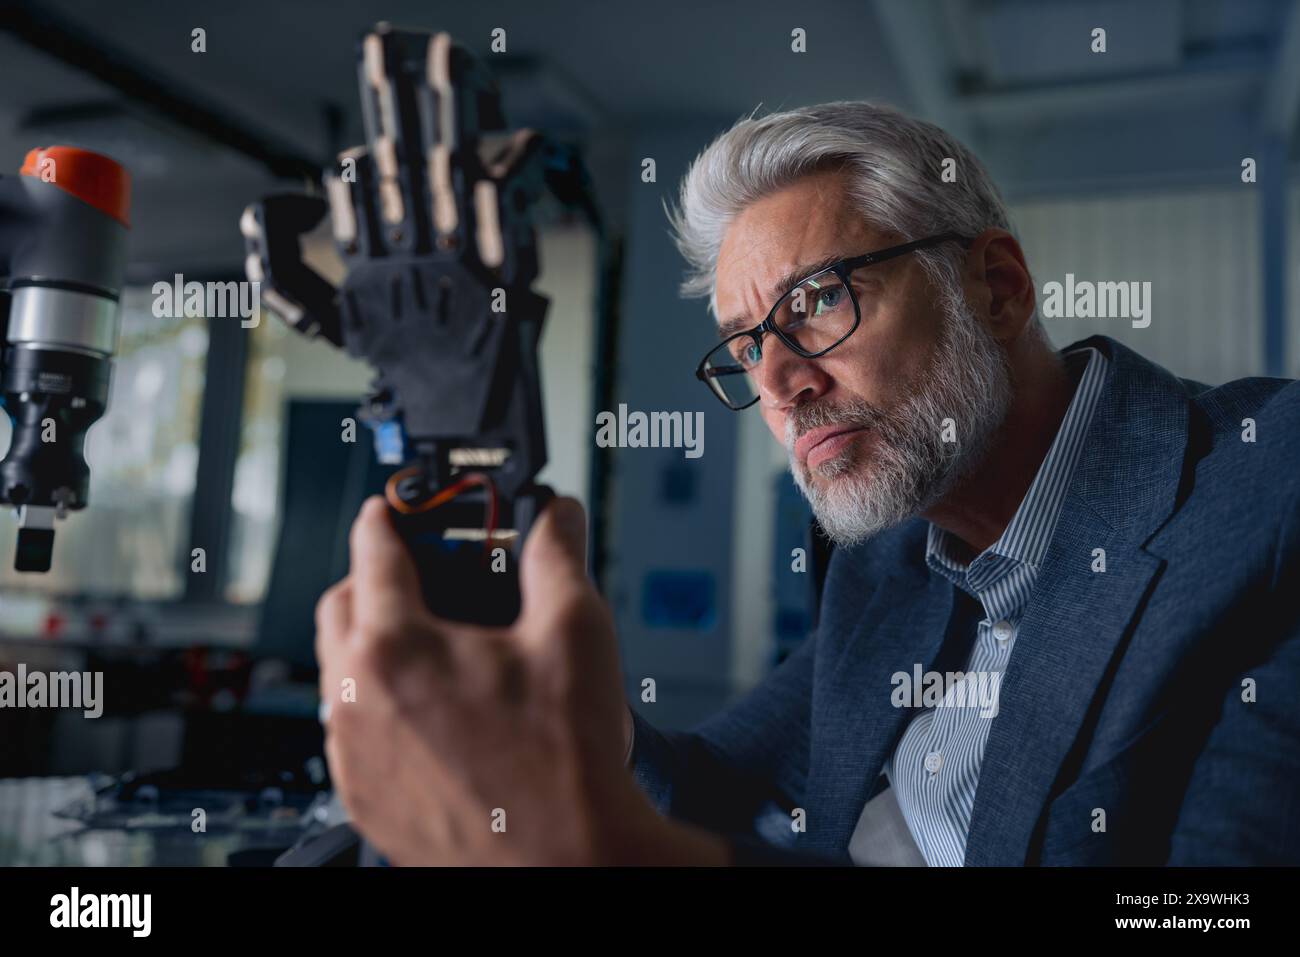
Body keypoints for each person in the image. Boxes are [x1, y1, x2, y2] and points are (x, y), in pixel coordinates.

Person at [314, 101, 1300, 865]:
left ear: (994, 287)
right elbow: (715, 790)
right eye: (746, 347)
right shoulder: (887, 573)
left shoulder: (1274, 484)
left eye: (818, 301)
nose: (780, 382)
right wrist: (573, 709)